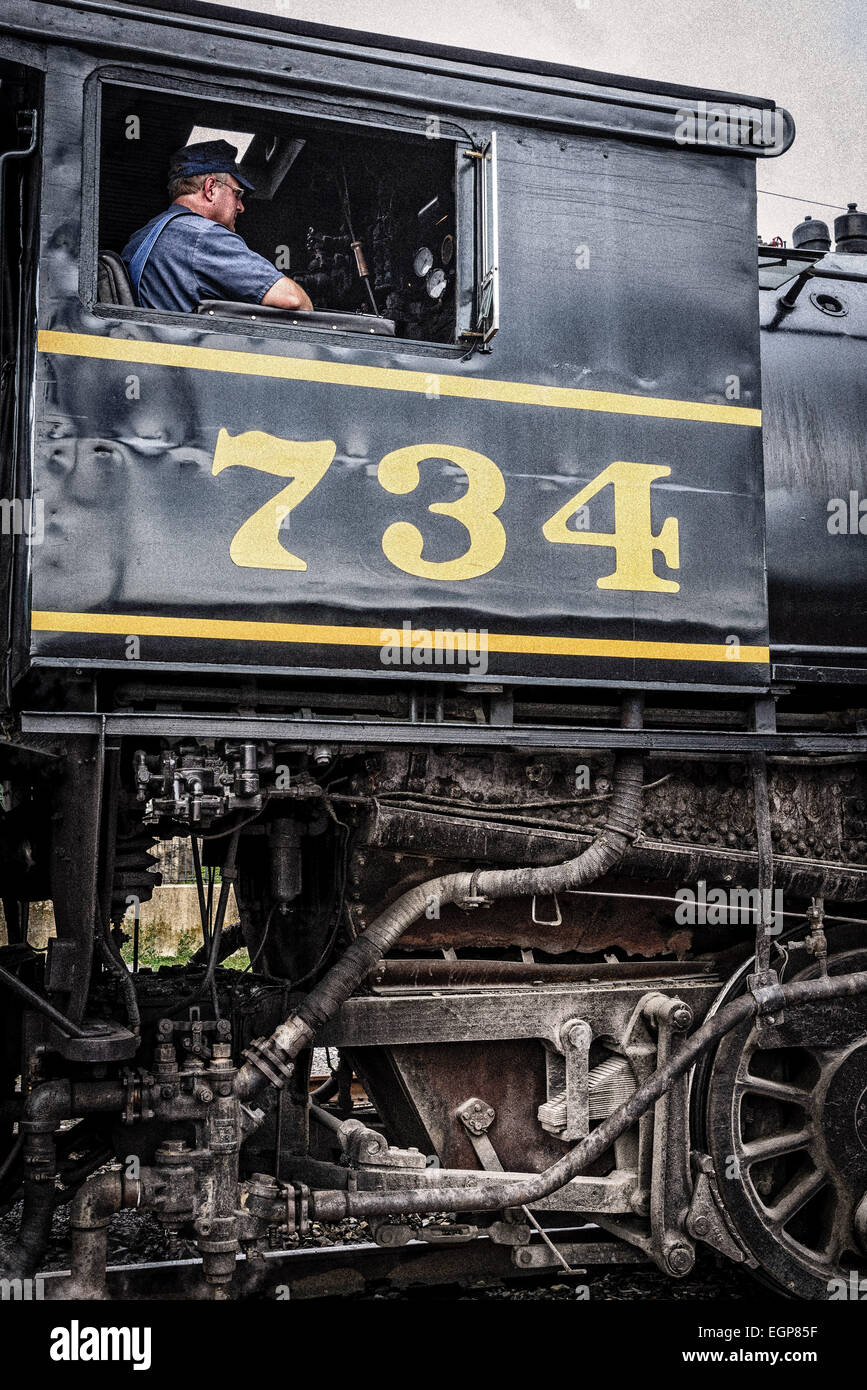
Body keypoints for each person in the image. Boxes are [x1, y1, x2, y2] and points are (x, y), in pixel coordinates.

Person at [121, 139, 313, 314]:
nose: (241, 207)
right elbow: (293, 300)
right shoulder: (203, 235)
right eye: (237, 194)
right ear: (210, 188)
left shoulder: (140, 237)